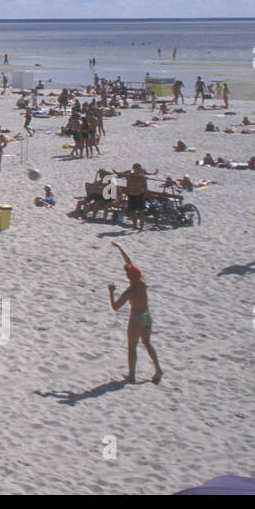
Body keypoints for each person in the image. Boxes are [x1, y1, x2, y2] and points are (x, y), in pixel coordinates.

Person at [108, 242, 164, 383]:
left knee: (132, 348)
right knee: (147, 343)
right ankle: (158, 369)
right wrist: (120, 248)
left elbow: (115, 307)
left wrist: (111, 292)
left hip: (136, 319)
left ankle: (131, 376)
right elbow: (130, 262)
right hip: (147, 316)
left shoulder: (129, 291)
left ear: (129, 277)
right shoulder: (142, 282)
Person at [117, 163, 157, 231]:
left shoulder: (142, 177)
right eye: (137, 168)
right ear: (134, 169)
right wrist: (127, 193)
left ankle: (141, 227)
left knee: (141, 212)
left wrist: (144, 196)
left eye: (139, 169)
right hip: (131, 195)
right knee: (132, 211)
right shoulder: (130, 176)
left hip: (139, 195)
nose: (138, 170)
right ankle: (135, 225)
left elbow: (145, 188)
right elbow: (128, 185)